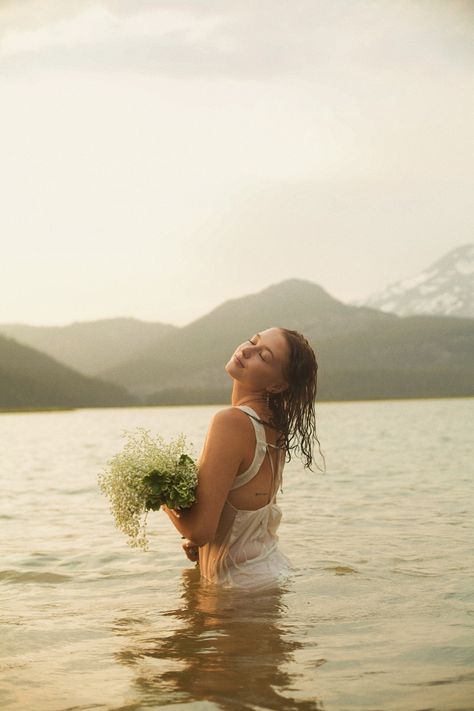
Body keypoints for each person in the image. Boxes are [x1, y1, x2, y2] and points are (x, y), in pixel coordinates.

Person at [163, 326, 323, 590]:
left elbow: (200, 531)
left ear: (277, 385)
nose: (247, 351)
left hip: (239, 589)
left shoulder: (232, 422)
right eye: (253, 341)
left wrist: (159, 496)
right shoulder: (273, 427)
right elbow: (242, 514)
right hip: (267, 573)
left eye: (264, 356)